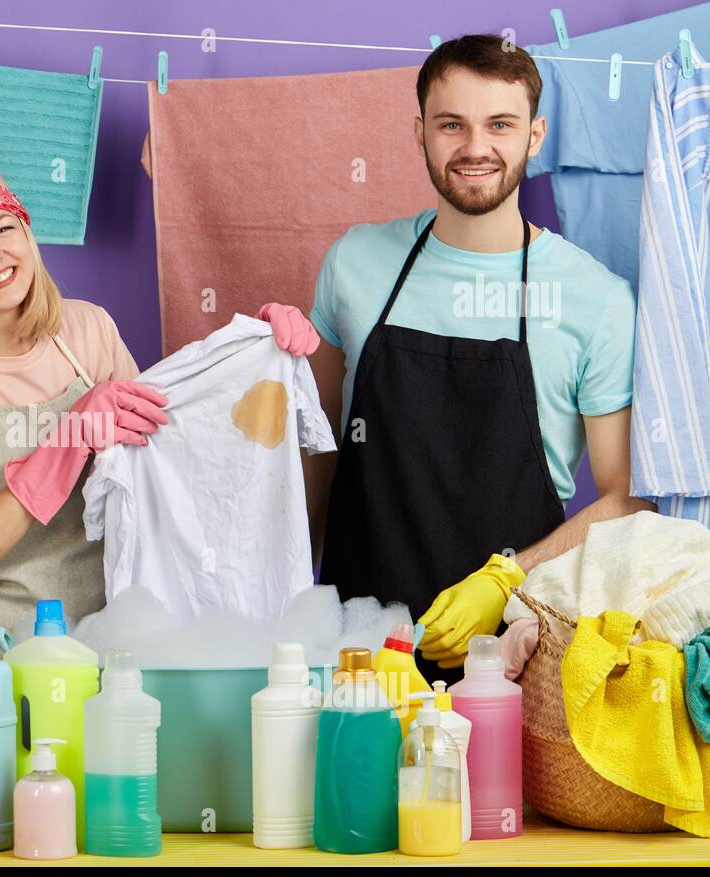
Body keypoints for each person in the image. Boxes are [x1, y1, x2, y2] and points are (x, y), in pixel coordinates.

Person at [279, 35, 652, 682]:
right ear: (419, 131)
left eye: (500, 125)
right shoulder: (355, 264)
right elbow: (318, 451)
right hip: (354, 648)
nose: (476, 148)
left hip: (511, 657)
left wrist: (505, 579)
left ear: (535, 136)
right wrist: (284, 599)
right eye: (452, 124)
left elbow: (626, 498)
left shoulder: (596, 299)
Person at [0, 159, 318, 670]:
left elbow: (167, 452)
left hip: (115, 637)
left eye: (4, 228)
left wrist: (250, 354)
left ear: (27, 236)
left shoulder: (89, 329)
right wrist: (70, 440)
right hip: (0, 656)